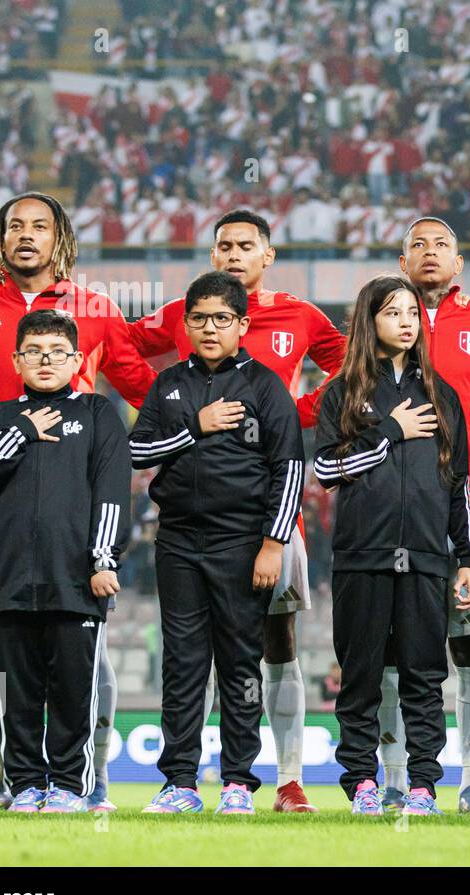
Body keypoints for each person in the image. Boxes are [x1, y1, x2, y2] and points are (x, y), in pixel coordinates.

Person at [0, 191, 156, 813]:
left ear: (59, 238)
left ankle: (87, 779)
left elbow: (140, 383)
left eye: (39, 226)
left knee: (80, 649)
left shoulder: (92, 307)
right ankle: (1, 777)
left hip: (69, 506)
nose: (26, 235)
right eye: (14, 225)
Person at [127, 208, 347, 814]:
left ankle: (281, 778)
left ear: (267, 255)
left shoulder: (298, 321)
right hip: (183, 533)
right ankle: (182, 782)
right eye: (222, 245)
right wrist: (176, 420)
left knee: (270, 646)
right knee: (188, 656)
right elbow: (118, 350)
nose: (232, 254)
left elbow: (351, 369)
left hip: (262, 528)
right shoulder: (175, 344)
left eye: (245, 245)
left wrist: (307, 412)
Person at [373, 216, 470, 814]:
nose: (430, 253)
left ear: (459, 263)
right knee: (392, 649)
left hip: (466, 507)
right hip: (390, 511)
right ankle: (392, 778)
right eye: (418, 245)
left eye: (442, 245)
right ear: (402, 260)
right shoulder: (377, 330)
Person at [313, 275, 470, 817]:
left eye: (412, 312)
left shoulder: (442, 394)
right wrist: (389, 430)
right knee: (359, 673)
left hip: (429, 558)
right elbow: (325, 469)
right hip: (362, 555)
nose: (407, 321)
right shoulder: (341, 392)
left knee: (424, 676)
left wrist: (468, 556)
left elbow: (457, 483)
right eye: (393, 312)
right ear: (370, 320)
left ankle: (424, 786)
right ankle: (361, 781)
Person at [0, 310, 132, 813]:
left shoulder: (99, 413)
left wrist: (103, 560)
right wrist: (22, 433)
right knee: (18, 694)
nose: (46, 360)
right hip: (9, 576)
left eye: (57, 351)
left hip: (75, 575)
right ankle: (27, 784)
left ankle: (71, 788)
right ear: (17, 360)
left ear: (77, 359)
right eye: (33, 351)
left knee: (75, 691)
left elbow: (112, 492)